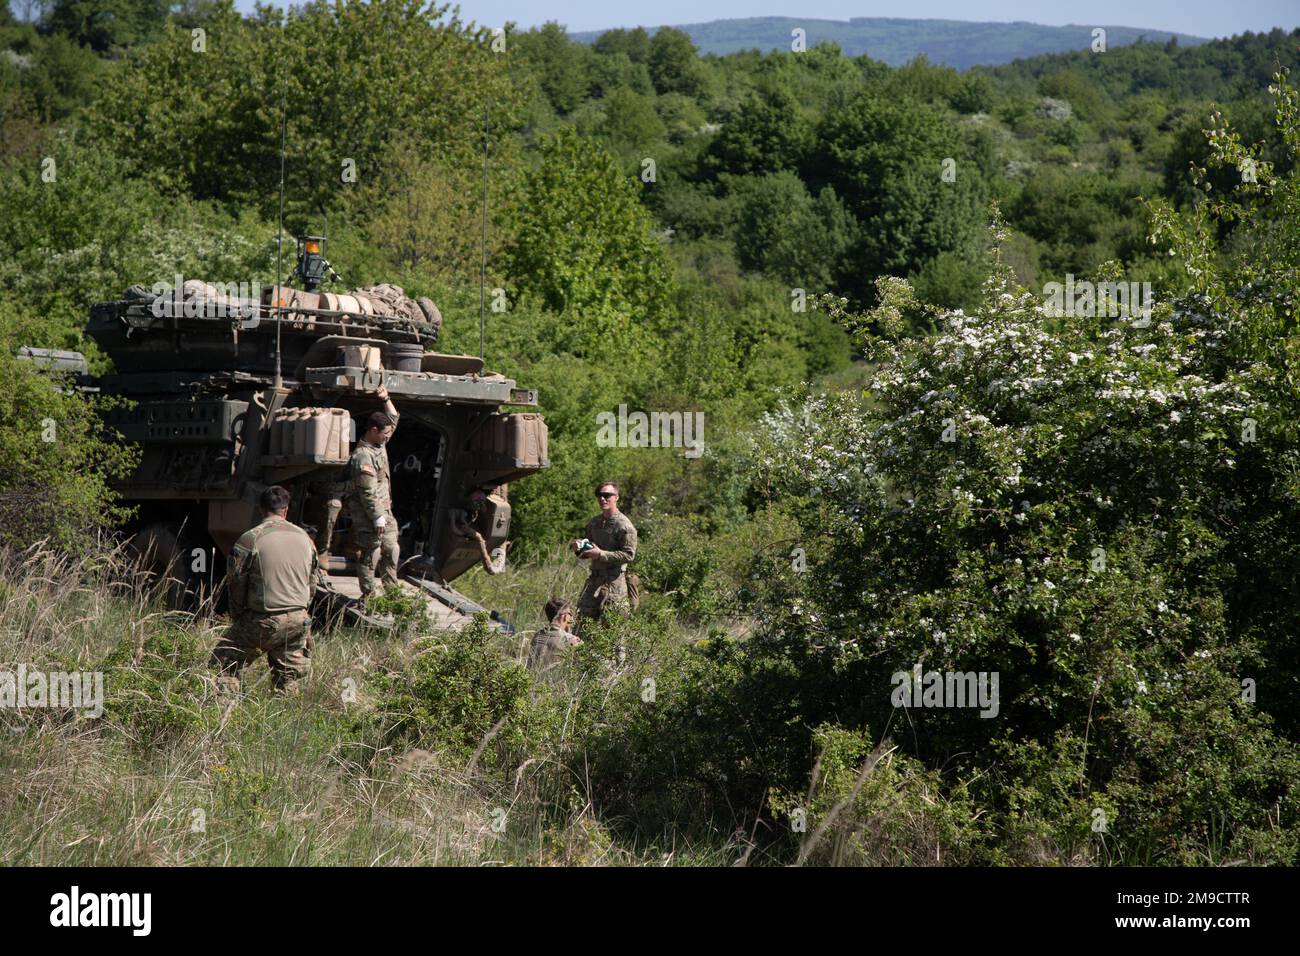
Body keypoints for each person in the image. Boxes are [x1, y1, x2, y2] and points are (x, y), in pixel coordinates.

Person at [211, 485, 321, 694]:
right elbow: (313, 582)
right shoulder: (306, 539)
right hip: (299, 619)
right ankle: (288, 719)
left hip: (262, 619)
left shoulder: (250, 539)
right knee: (288, 679)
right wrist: (301, 610)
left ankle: (222, 714)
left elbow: (235, 582)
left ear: (260, 509)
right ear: (286, 510)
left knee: (223, 664)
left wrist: (239, 615)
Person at [348, 384, 400, 601]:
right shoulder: (363, 456)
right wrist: (378, 517)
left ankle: (392, 593)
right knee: (372, 554)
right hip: (370, 514)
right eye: (385, 433)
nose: (389, 436)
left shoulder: (380, 444)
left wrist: (385, 398)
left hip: (385, 511)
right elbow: (367, 492)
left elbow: (393, 418)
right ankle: (368, 596)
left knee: (392, 551)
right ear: (373, 430)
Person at [573, 481, 637, 637]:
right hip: (594, 580)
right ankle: (582, 659)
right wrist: (579, 549)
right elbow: (589, 550)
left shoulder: (624, 526)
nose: (602, 499)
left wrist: (602, 554)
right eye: (599, 495)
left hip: (615, 582)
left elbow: (629, 555)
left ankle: (617, 662)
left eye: (607, 495)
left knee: (614, 630)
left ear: (616, 498)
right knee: (582, 625)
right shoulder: (594, 522)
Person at [528, 597, 581, 673]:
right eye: (570, 614)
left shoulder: (537, 636)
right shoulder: (570, 639)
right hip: (556, 683)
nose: (572, 618)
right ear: (565, 616)